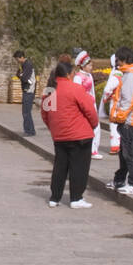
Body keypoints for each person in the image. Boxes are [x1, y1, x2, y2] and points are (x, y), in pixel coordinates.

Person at [42, 60, 99, 208]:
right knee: (79, 167)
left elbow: (45, 114)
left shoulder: (50, 90)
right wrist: (93, 125)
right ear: (68, 74)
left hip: (60, 135)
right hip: (79, 134)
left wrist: (54, 128)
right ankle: (76, 197)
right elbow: (90, 111)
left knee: (60, 166)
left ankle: (55, 197)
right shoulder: (75, 88)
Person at [109, 47, 133, 194]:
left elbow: (127, 100)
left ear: (123, 59)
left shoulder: (131, 76)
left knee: (129, 153)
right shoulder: (128, 74)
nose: (116, 62)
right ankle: (119, 180)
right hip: (128, 120)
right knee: (123, 152)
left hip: (129, 121)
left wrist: (120, 117)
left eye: (118, 59)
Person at [73, 51, 102, 160]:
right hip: (83, 106)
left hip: (91, 104)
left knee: (96, 127)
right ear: (83, 66)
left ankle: (94, 149)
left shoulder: (89, 76)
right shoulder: (78, 78)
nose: (91, 67)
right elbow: (77, 94)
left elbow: (92, 91)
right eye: (89, 65)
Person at [100, 54, 122, 155]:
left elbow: (107, 90)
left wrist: (106, 98)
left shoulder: (115, 75)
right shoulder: (126, 74)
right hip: (125, 105)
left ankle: (115, 147)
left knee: (114, 126)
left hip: (115, 104)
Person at [14, 50, 37, 136]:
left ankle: (30, 131)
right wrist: (20, 75)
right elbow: (18, 74)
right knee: (25, 111)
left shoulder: (28, 64)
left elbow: (24, 78)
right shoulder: (23, 65)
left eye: (17, 59)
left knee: (26, 111)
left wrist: (20, 75)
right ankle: (27, 130)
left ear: (21, 57)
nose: (17, 61)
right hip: (26, 90)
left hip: (29, 90)